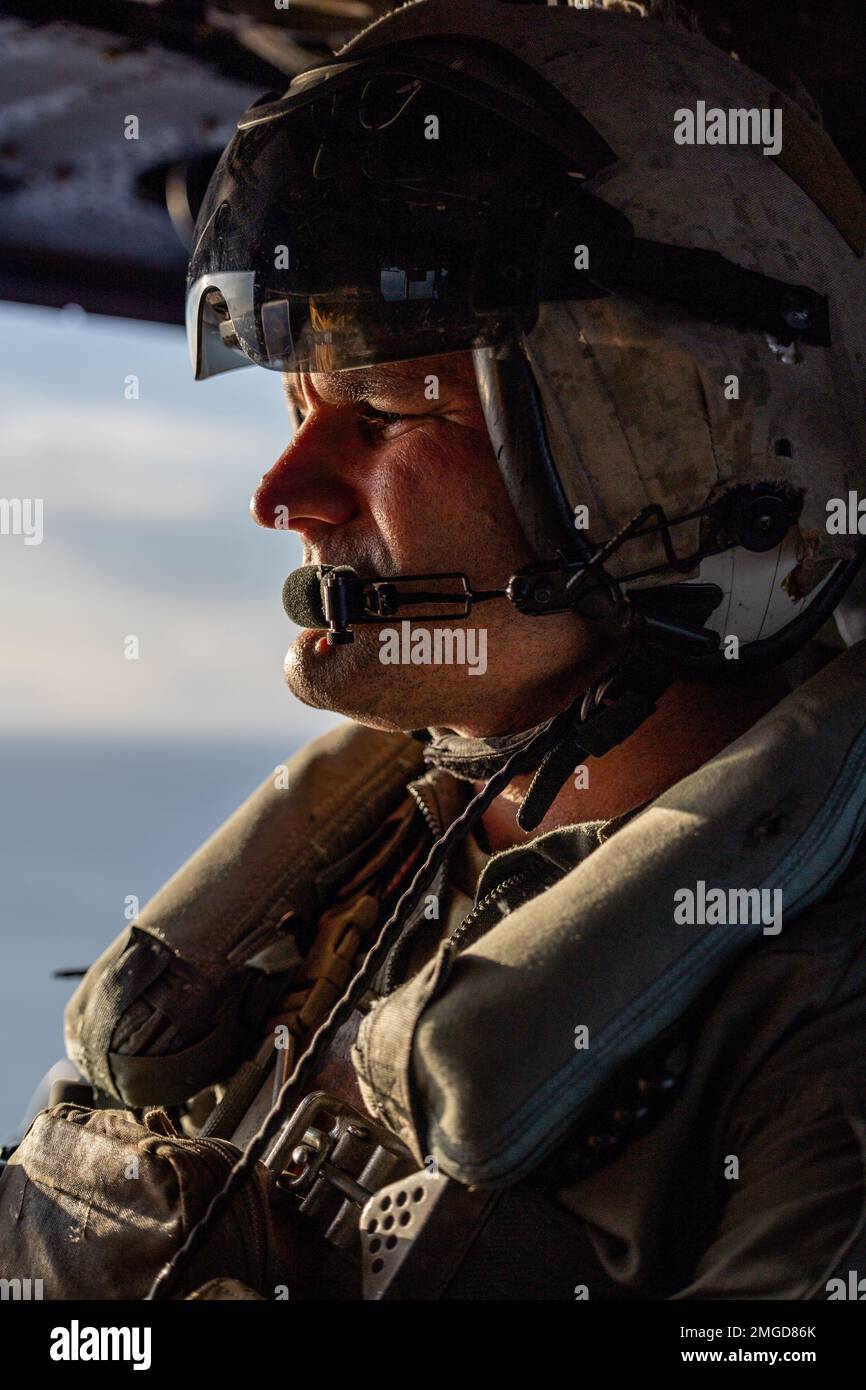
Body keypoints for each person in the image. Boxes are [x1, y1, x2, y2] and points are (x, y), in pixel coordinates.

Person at [22, 0, 866, 1298]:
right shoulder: (370, 858)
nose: (280, 492)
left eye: (379, 409)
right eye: (298, 407)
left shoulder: (819, 1023)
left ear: (681, 444)